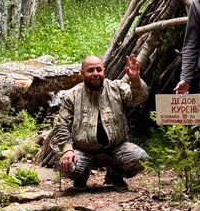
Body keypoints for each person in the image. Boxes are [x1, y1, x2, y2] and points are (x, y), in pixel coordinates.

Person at [56, 54, 149, 191]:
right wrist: (67, 150)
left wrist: (135, 80)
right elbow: (62, 126)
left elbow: (139, 98)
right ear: (82, 73)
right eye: (90, 70)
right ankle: (81, 175)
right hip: (83, 150)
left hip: (115, 149)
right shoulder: (72, 96)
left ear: (103, 70)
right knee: (67, 166)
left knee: (140, 158)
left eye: (98, 69)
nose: (95, 74)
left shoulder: (117, 88)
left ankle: (115, 175)